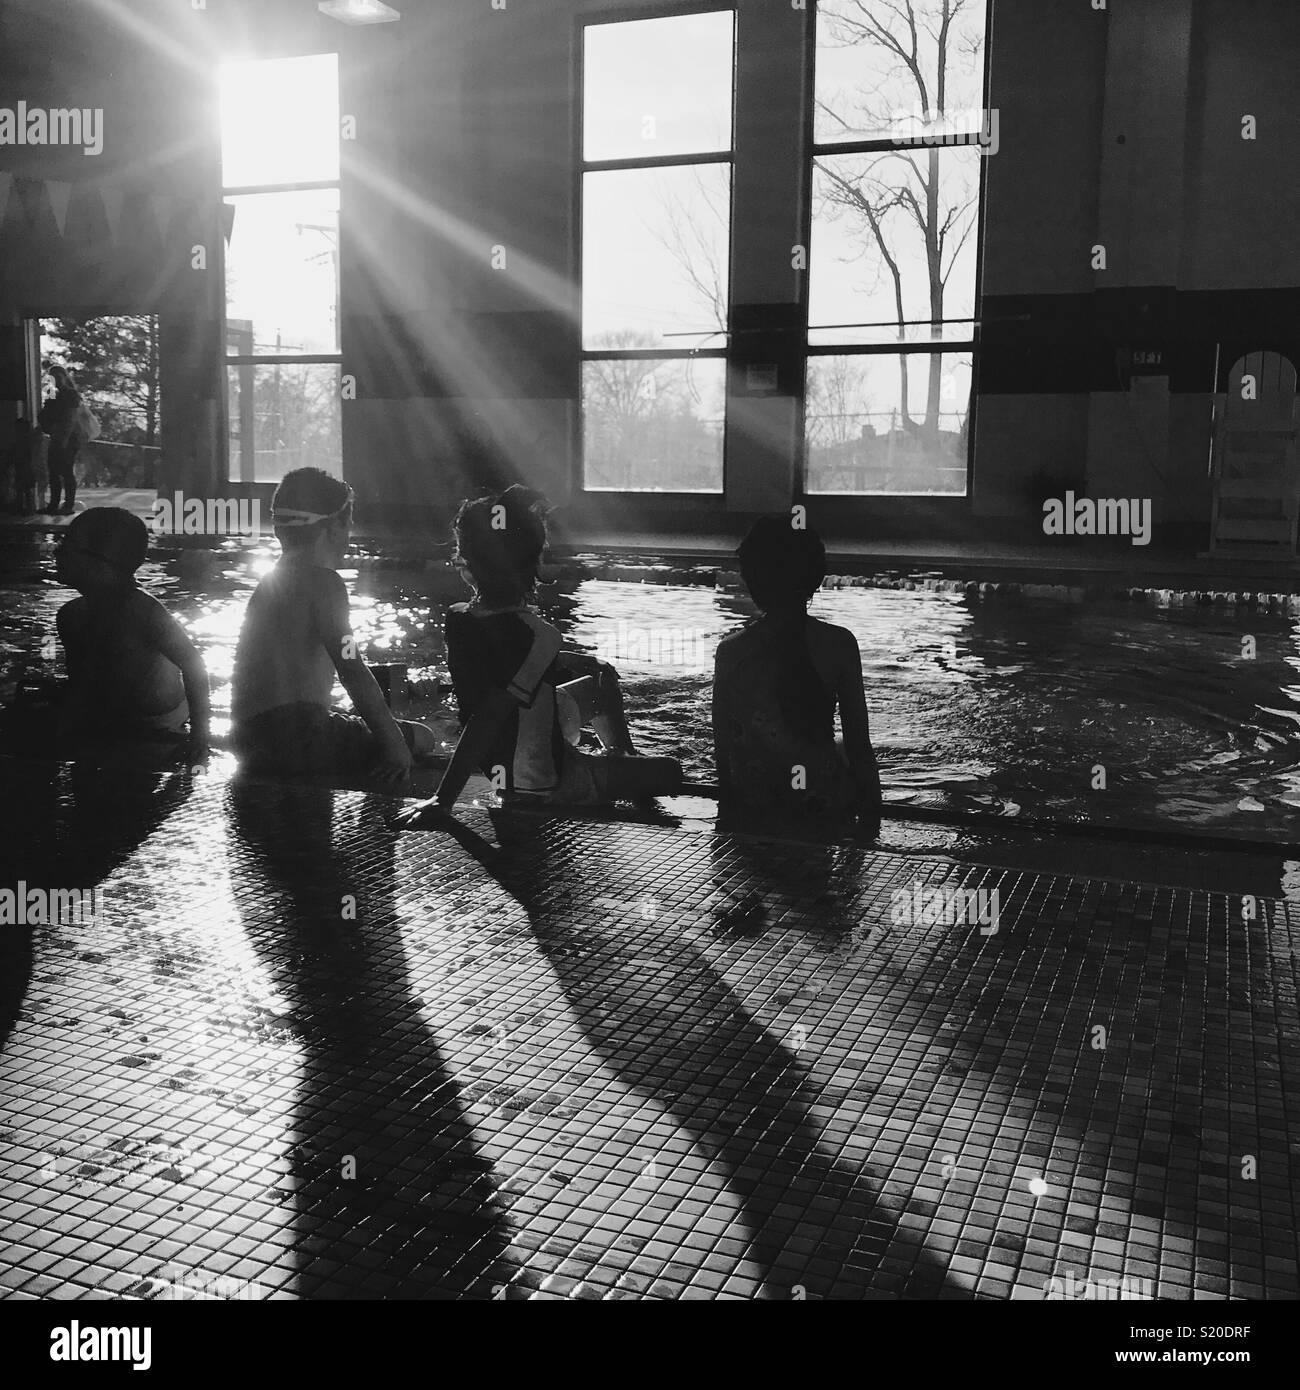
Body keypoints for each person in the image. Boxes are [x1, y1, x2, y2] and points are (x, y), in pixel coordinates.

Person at [403, 484, 681, 820]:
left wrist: (565, 658)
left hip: (505, 756)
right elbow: (487, 717)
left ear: (466, 561)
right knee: (670, 772)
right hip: (542, 783)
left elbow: (493, 677)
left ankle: (618, 759)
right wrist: (442, 800)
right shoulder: (539, 636)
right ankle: (616, 768)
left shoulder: (458, 617)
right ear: (533, 563)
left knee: (601, 676)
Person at [230, 467, 436, 782]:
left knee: (355, 721)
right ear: (335, 527)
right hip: (299, 741)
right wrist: (394, 743)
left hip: (247, 739)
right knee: (422, 737)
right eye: (349, 524)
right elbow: (351, 666)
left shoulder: (271, 582)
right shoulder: (326, 583)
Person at [712, 516, 882, 836]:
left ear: (751, 579)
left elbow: (724, 753)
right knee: (843, 746)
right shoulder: (839, 645)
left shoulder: (730, 652)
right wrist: (872, 824)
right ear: (815, 578)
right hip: (817, 799)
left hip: (756, 800)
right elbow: (860, 746)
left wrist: (729, 815)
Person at [54, 507, 210, 761]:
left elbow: (194, 666)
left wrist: (200, 736)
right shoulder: (71, 616)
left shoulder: (144, 612)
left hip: (160, 722)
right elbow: (80, 684)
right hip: (114, 719)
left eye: (67, 547)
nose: (56, 553)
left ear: (102, 562)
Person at [39, 363, 84, 515]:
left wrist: (63, 437)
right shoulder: (55, 395)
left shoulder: (69, 395)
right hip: (58, 436)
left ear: (64, 378)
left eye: (58, 377)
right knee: (54, 471)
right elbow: (45, 415)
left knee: (64, 471)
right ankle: (55, 504)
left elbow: (70, 419)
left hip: (68, 438)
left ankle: (67, 505)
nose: (56, 380)